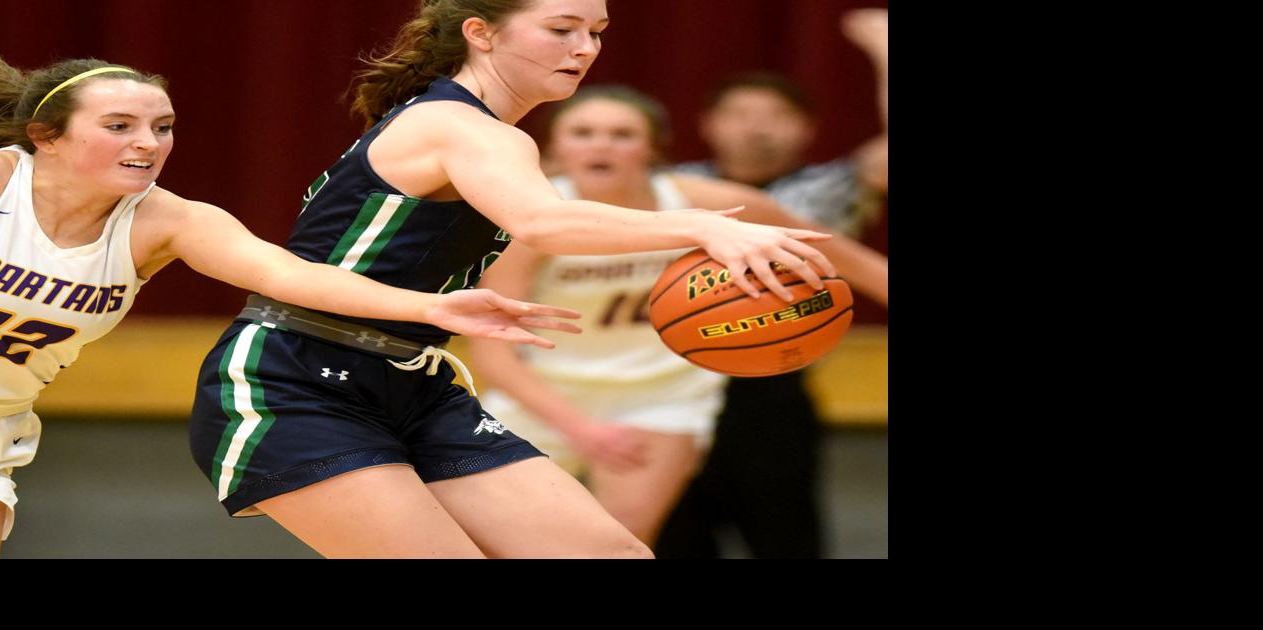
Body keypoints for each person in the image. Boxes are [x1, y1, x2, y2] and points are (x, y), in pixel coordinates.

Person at [0, 0, 580, 559]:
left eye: (162, 125)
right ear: (48, 134)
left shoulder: (170, 221)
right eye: (120, 125)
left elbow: (294, 277)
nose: (149, 141)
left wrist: (432, 305)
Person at [187, 0, 841, 559]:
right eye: (561, 29)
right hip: (294, 377)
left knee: (609, 553)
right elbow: (544, 223)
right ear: (481, 32)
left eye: (597, 32)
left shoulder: (486, 132)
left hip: (410, 381)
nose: (584, 48)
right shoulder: (454, 124)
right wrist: (700, 227)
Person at [465, 85, 887, 546]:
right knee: (496, 542)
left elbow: (855, 263)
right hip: (546, 394)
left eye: (621, 134)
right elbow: (494, 357)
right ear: (556, 149)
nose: (601, 145)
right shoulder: (535, 221)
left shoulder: (714, 203)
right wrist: (581, 429)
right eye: (583, 133)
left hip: (662, 397)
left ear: (652, 149)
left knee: (620, 541)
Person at [658, 8, 889, 559]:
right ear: (709, 123)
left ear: (806, 127)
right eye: (739, 113)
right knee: (675, 538)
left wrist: (883, 49)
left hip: (774, 377)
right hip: (668, 376)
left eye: (776, 115)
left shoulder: (834, 185)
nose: (756, 126)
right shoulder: (673, 187)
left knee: (785, 536)